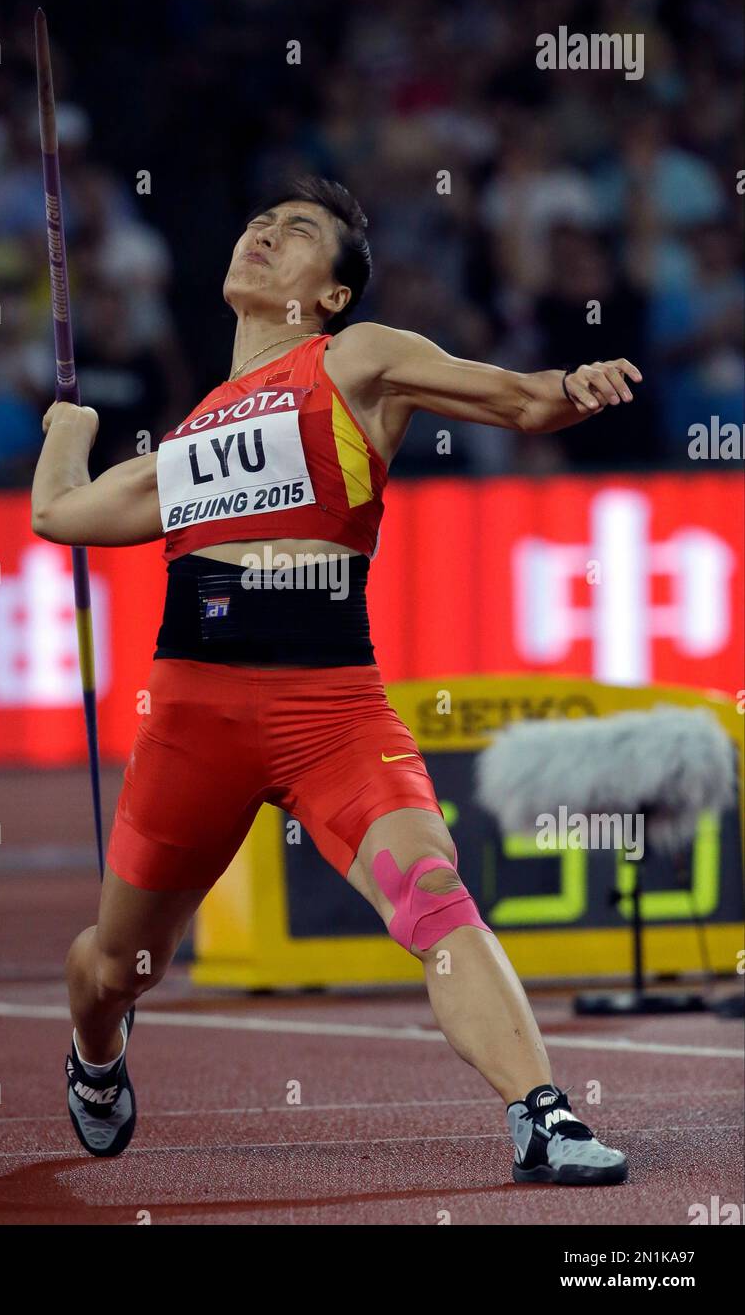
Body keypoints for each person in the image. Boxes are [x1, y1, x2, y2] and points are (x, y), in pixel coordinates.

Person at [32, 177, 640, 1183]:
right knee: (118, 967)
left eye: (297, 232)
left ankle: (541, 1113)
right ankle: (97, 1052)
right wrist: (65, 437)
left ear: (331, 295)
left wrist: (574, 384)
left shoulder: (353, 359)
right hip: (193, 717)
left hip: (331, 707)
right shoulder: (187, 439)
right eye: (258, 221)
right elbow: (62, 518)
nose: (265, 234)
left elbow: (519, 397)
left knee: (432, 895)